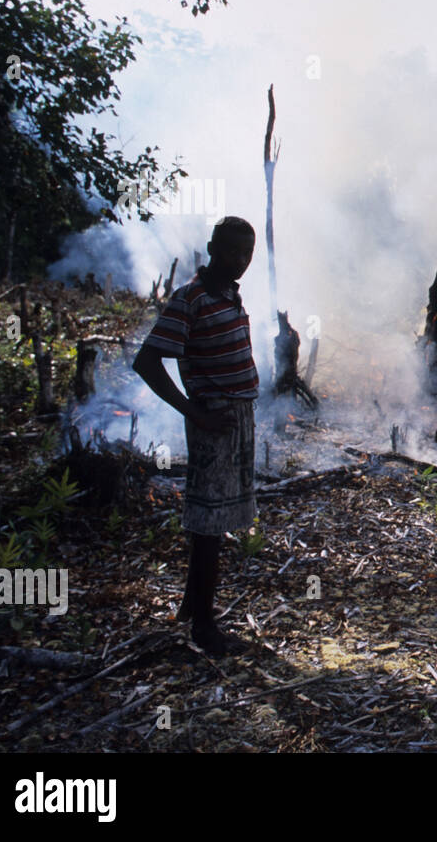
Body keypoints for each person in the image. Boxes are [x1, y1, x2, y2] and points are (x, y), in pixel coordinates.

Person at [133, 217, 260, 657]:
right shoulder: (191, 298)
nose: (241, 261)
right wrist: (195, 413)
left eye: (247, 253)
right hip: (215, 422)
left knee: (218, 522)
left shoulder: (228, 295)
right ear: (211, 248)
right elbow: (147, 362)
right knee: (208, 525)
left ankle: (192, 606)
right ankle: (204, 628)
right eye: (232, 252)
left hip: (236, 420)